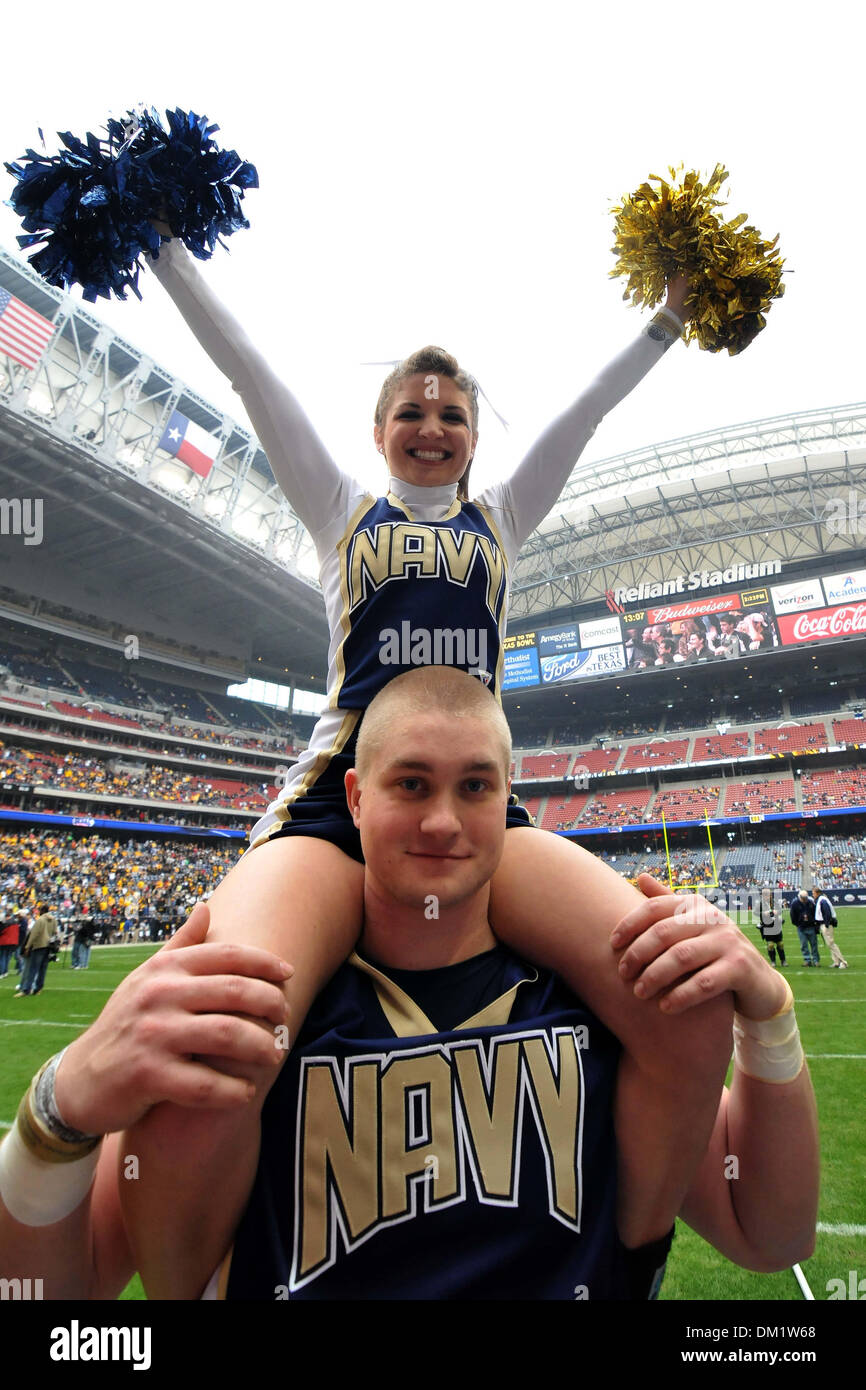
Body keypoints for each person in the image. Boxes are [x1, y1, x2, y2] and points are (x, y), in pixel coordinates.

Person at [0, 669, 819, 1299]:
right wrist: (59, 1108)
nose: (441, 822)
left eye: (474, 787)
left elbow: (770, 1233)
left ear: (509, 801)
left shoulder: (598, 1012)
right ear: (354, 797)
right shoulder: (253, 1017)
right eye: (411, 783)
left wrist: (769, 1018)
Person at [144, 231, 695, 1065]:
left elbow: (586, 410)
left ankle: (641, 1202)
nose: (431, 427)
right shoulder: (342, 514)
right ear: (378, 433)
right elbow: (250, 372)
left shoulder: (501, 521)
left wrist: (667, 321)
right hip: (338, 799)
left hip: (480, 807)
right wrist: (164, 250)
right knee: (216, 1029)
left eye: (451, 416)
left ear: (473, 438)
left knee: (673, 996)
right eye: (411, 412)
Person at [14, 903, 55, 996]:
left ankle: (26, 989)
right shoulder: (53, 920)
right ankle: (38, 989)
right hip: (48, 945)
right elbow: (55, 931)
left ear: (42, 911)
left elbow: (34, 934)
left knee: (33, 968)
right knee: (42, 969)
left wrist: (27, 946)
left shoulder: (40, 920)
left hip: (38, 945)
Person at [811, 887, 848, 969]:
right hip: (825, 924)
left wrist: (826, 924)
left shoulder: (822, 900)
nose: (813, 895)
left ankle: (843, 962)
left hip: (825, 924)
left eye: (813, 893)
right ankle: (836, 962)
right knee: (830, 944)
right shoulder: (822, 899)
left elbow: (826, 912)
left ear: (817, 893)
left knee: (830, 943)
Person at [790, 889, 820, 966]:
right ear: (799, 897)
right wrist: (798, 924)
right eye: (803, 898)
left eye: (805, 897)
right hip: (801, 928)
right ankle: (807, 960)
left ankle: (816, 960)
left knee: (814, 945)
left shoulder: (810, 903)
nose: (804, 899)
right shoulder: (795, 904)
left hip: (811, 926)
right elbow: (793, 916)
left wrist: (814, 923)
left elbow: (814, 913)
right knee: (803, 945)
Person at [757, 890, 786, 968]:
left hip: (776, 925)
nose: (768, 897)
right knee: (770, 945)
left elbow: (780, 911)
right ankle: (773, 961)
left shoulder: (774, 902)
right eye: (766, 895)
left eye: (769, 895)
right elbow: (757, 913)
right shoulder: (761, 904)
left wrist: (777, 912)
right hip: (767, 926)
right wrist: (763, 914)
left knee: (780, 944)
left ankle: (783, 960)